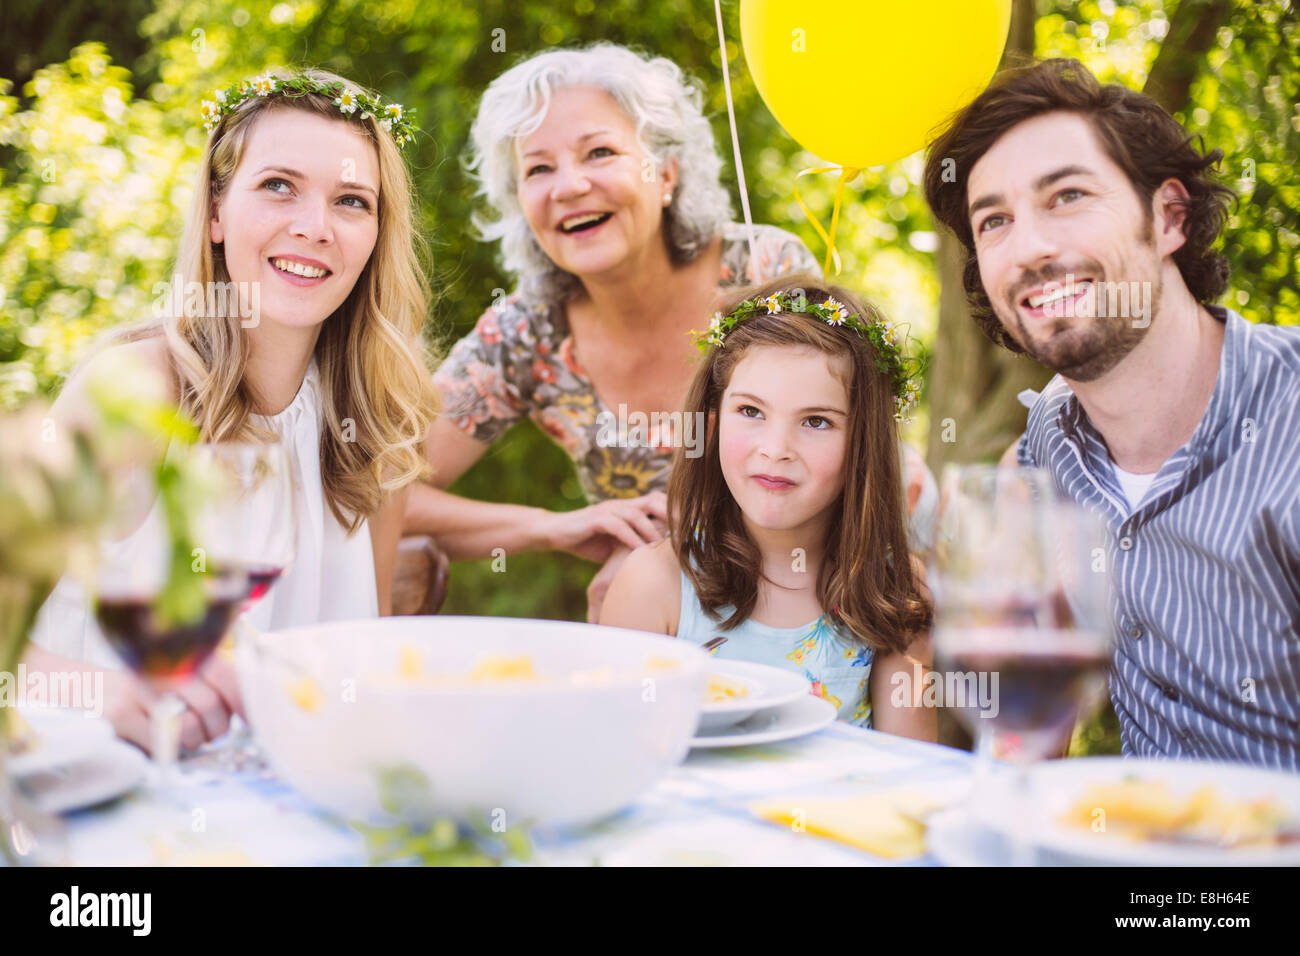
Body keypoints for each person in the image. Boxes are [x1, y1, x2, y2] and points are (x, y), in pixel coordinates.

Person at [403, 43, 936, 621]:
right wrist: (554, 527)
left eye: (599, 152)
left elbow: (838, 457)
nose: (569, 186)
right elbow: (383, 488)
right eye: (538, 168)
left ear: (666, 174)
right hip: (681, 604)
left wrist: (663, 554)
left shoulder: (760, 270)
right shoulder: (524, 332)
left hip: (849, 566)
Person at [25, 68, 436, 754]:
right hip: (104, 787)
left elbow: (370, 657)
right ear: (216, 212)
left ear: (376, 233)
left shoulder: (379, 423)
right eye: (278, 186)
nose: (315, 228)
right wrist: (108, 694)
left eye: (351, 201)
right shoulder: (132, 392)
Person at [923, 58, 1300, 769]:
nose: (1030, 249)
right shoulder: (1046, 446)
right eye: (995, 221)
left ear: (1168, 218)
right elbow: (1030, 727)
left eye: (1067, 195)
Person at [600, 276, 935, 742]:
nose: (776, 449)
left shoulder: (893, 589)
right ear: (713, 421)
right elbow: (617, 756)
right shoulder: (655, 586)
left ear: (864, 443)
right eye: (751, 412)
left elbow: (911, 769)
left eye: (816, 421)